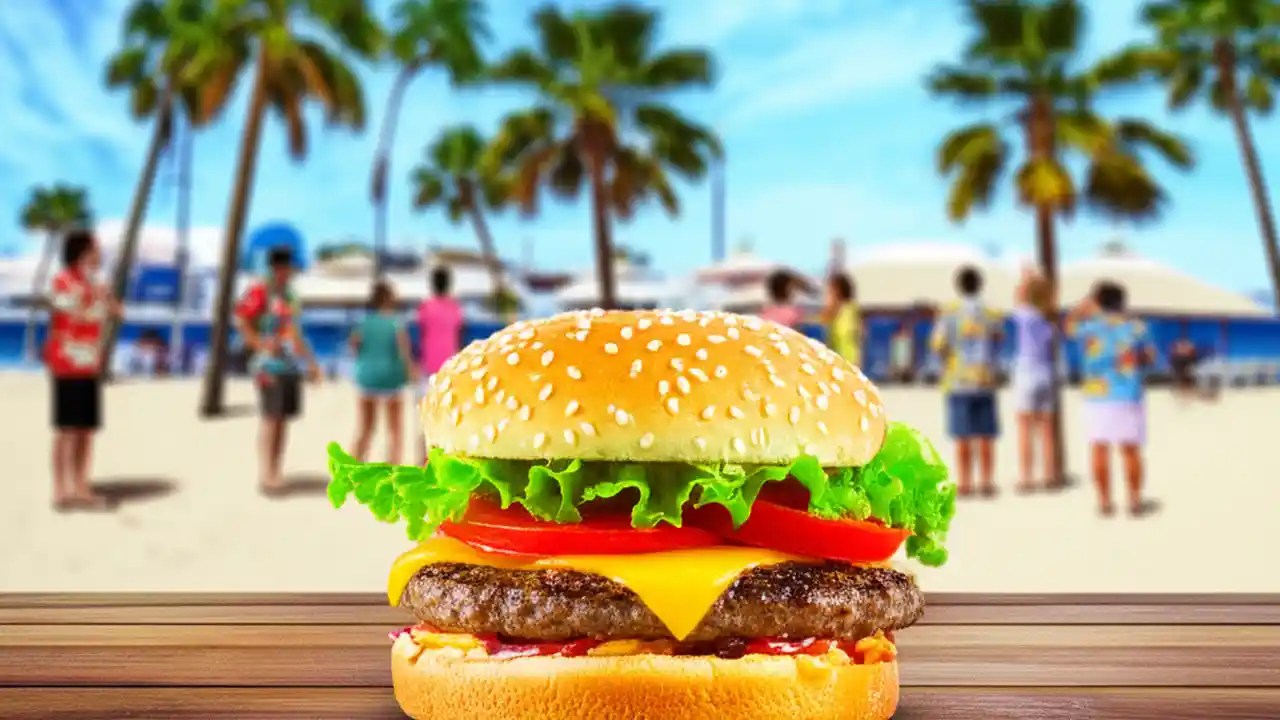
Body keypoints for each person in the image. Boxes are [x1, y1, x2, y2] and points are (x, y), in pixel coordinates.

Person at [234, 246, 321, 496]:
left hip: (289, 364)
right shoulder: (261, 290)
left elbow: (294, 333)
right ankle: (266, 473)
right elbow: (241, 318)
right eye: (284, 268)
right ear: (275, 268)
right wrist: (259, 343)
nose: (288, 273)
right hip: (267, 364)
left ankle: (276, 469)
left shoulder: (290, 295)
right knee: (271, 418)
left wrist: (311, 362)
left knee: (283, 420)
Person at [1067, 281, 1155, 517]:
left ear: (1097, 301)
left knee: (1099, 448)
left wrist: (1081, 308)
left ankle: (1105, 502)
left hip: (1097, 395)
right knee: (1130, 450)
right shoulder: (1136, 328)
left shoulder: (1089, 328)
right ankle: (1134, 501)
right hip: (1127, 393)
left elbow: (1067, 327)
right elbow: (1149, 356)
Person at [46, 230, 120, 511]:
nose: (100, 254)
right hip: (67, 363)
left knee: (86, 430)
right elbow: (72, 312)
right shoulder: (63, 281)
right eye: (96, 249)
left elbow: (116, 312)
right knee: (67, 429)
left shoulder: (95, 283)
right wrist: (96, 300)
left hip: (89, 363)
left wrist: (105, 298)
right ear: (83, 252)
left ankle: (81, 486)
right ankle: (60, 489)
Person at [930, 265, 1004, 498]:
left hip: (958, 379)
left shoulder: (950, 312)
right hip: (984, 378)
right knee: (985, 435)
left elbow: (938, 344)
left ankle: (966, 483)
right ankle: (986, 482)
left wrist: (944, 363)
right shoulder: (991, 314)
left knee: (962, 435)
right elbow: (999, 340)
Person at [351, 281, 417, 463]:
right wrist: (412, 372)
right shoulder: (396, 322)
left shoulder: (364, 322)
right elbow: (405, 351)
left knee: (365, 428)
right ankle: (392, 471)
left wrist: (366, 358)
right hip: (390, 378)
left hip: (367, 377)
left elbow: (354, 345)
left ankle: (352, 467)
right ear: (387, 298)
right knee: (395, 430)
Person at [1009, 268, 1057, 493]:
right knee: (1046, 429)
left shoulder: (1026, 316)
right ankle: (1048, 475)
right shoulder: (1049, 321)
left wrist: (1025, 279)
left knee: (1025, 428)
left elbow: (1018, 297)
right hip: (1046, 372)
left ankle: (1027, 478)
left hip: (1026, 370)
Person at [417, 266, 463, 464]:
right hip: (450, 370)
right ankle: (443, 461)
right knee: (447, 420)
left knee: (426, 420)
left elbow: (421, 336)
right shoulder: (455, 308)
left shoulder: (425, 308)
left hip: (428, 368)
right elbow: (459, 337)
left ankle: (424, 461)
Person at [822, 273, 862, 366]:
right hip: (834, 355)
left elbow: (858, 334)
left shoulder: (851, 307)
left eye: (832, 289)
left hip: (849, 355)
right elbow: (823, 320)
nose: (830, 292)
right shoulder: (832, 309)